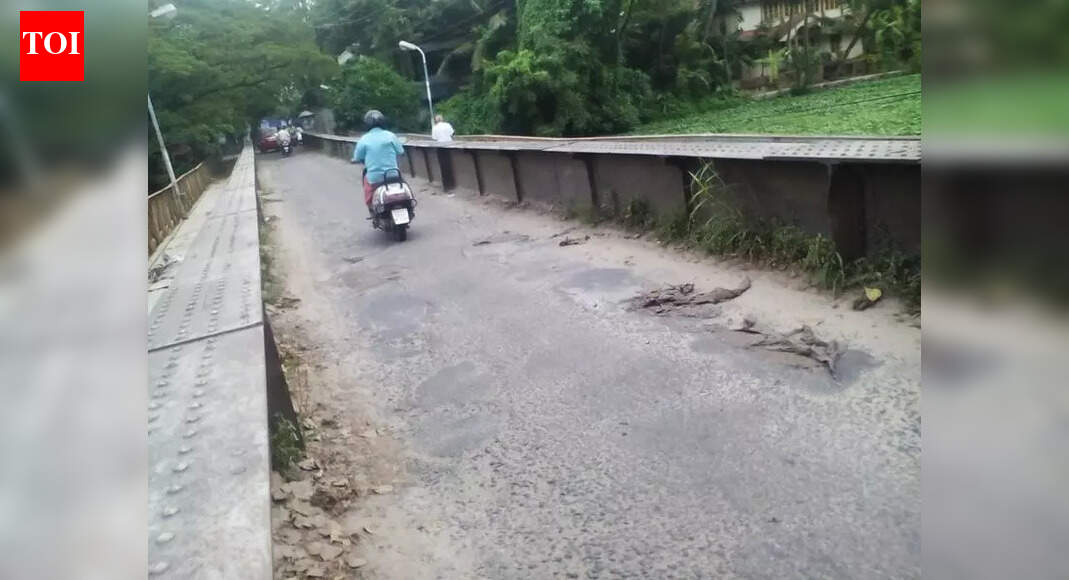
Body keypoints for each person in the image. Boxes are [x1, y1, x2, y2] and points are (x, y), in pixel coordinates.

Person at [352, 110, 405, 208]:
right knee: (403, 185)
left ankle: (371, 208)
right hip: (393, 175)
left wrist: (355, 160)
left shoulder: (364, 139)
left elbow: (357, 157)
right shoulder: (391, 136)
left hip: (374, 178)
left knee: (368, 188)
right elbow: (401, 152)